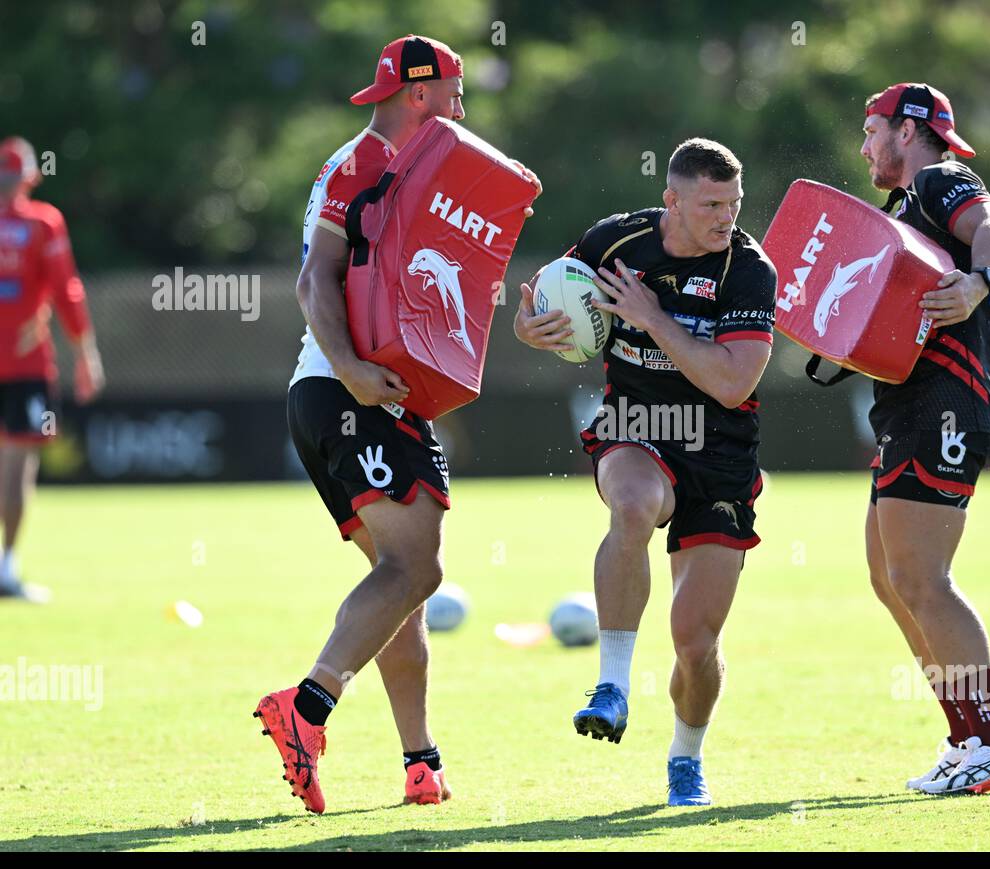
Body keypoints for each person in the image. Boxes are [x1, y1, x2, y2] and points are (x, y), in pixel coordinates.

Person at [257, 34, 540, 814]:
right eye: (455, 93)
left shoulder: (430, 175)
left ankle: (420, 760)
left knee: (402, 587)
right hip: (346, 393)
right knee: (417, 570)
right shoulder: (360, 162)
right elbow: (312, 279)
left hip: (364, 397)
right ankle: (306, 707)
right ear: (421, 92)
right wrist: (349, 367)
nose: (462, 108)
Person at [513, 138, 776, 806]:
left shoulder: (749, 271)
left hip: (721, 451)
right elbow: (549, 300)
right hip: (638, 425)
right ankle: (611, 684)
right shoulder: (615, 243)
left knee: (695, 643)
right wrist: (530, 327)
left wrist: (652, 318)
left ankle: (686, 756)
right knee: (631, 504)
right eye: (711, 204)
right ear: (672, 201)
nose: (726, 217)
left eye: (734, 203)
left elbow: (731, 381)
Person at [858, 83, 990, 795]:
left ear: (908, 130)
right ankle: (966, 733)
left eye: (871, 131)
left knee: (922, 579)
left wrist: (979, 280)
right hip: (909, 408)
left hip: (948, 408)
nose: (864, 146)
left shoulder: (939, 179)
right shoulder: (897, 210)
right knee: (888, 577)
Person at [0, 136, 104, 601]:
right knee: (17, 465)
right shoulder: (43, 222)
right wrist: (86, 355)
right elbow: (68, 291)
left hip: (25, 363)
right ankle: (6, 565)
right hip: (25, 366)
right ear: (29, 178)